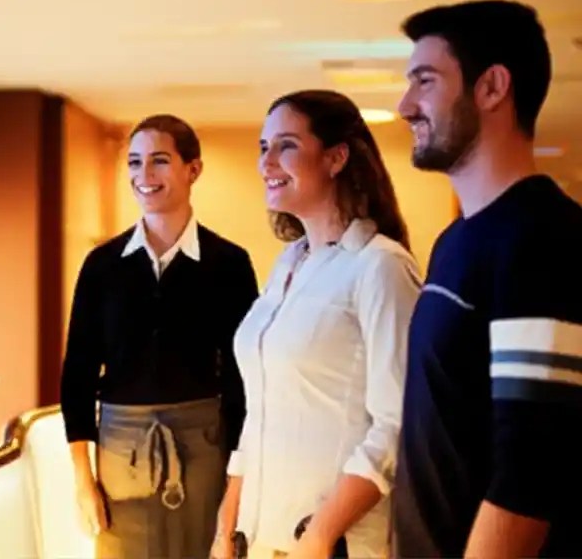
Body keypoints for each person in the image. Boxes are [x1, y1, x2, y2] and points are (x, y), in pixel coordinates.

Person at [393, 0, 582, 558]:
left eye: (425, 81)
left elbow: (530, 474)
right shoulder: (456, 241)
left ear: (493, 87)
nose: (405, 106)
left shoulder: (543, 238)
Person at [213, 90, 421, 559]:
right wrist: (226, 528)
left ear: (336, 157)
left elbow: (397, 423)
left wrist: (322, 535)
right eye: (262, 147)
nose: (267, 162)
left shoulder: (380, 267)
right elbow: (261, 412)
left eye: (285, 145)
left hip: (334, 542)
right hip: (258, 538)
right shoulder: (288, 266)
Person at [61, 114, 259, 559]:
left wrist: (237, 489)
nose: (143, 176)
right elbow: (77, 375)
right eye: (134, 163)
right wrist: (82, 479)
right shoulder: (102, 266)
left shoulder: (228, 264)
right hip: (119, 453)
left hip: (205, 447)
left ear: (194, 169)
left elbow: (243, 383)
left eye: (159, 161)